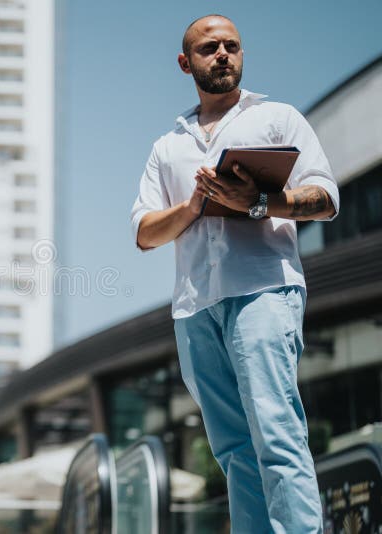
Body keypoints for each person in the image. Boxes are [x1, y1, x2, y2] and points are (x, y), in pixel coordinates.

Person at [131, 14, 339, 533]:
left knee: (276, 434)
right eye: (209, 48)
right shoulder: (167, 146)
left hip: (263, 290)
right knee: (232, 450)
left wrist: (260, 201)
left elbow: (327, 199)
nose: (223, 54)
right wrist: (195, 205)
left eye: (232, 46)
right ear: (186, 63)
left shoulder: (277, 118)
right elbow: (144, 233)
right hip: (194, 308)